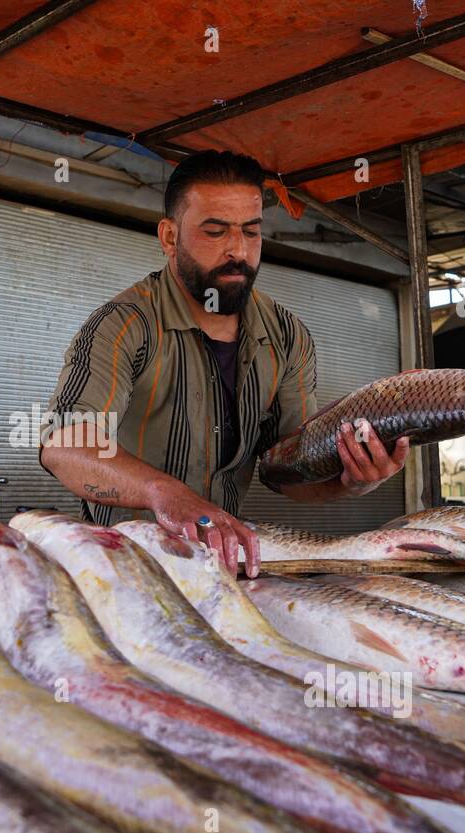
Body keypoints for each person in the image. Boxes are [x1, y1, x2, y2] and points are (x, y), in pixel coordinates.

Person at [39, 149, 409, 577]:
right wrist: (165, 493)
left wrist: (349, 480)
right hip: (120, 569)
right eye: (215, 232)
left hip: (221, 570)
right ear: (170, 237)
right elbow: (65, 446)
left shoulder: (287, 335)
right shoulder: (124, 325)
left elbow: (287, 469)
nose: (238, 250)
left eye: (251, 232)